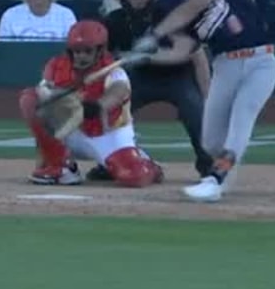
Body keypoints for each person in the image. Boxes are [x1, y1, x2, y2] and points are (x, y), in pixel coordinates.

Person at [144, 0, 275, 204]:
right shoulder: (186, 8)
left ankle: (215, 180)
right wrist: (148, 56)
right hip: (225, 66)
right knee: (210, 141)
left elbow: (197, 3)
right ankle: (225, 173)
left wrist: (156, 33)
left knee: (242, 118)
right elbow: (184, 49)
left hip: (260, 63)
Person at [14, 20, 163, 188]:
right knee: (30, 99)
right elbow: (43, 92)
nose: (81, 56)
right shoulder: (56, 66)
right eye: (76, 51)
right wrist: (65, 97)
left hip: (108, 133)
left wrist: (98, 105)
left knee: (134, 177)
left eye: (87, 51)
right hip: (72, 130)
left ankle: (145, 163)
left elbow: (118, 91)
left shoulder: (114, 70)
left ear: (100, 51)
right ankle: (61, 167)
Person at [93, 0, 212, 181]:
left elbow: (197, 56)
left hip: (177, 76)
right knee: (110, 109)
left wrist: (207, 96)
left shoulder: (170, 16)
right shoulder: (114, 21)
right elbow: (103, 58)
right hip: (138, 77)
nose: (138, 4)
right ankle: (111, 161)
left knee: (195, 110)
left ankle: (208, 164)